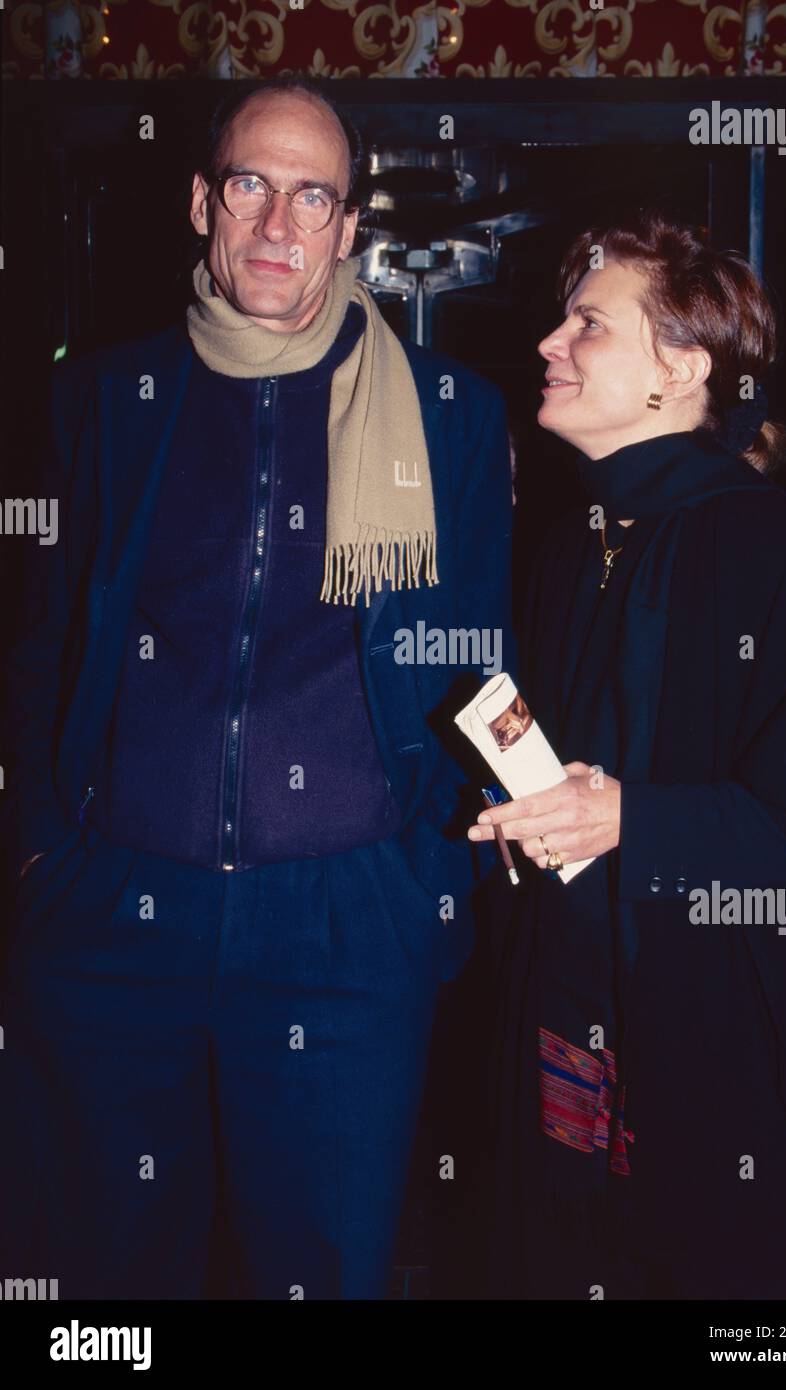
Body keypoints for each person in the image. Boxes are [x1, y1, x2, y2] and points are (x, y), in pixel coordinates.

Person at [0, 76, 513, 1300]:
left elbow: (476, 659)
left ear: (349, 228)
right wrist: (40, 856)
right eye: (250, 185)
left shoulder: (450, 416)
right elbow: (42, 643)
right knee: (105, 1280)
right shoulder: (102, 400)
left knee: (320, 1270)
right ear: (201, 202)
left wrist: (430, 885)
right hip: (115, 907)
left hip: (348, 920)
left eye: (313, 197)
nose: (279, 225)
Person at [469, 211, 786, 1300]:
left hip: (715, 1033)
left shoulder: (766, 546)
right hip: (570, 1005)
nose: (549, 343)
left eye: (588, 325)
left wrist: (632, 819)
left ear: (679, 369)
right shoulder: (575, 542)